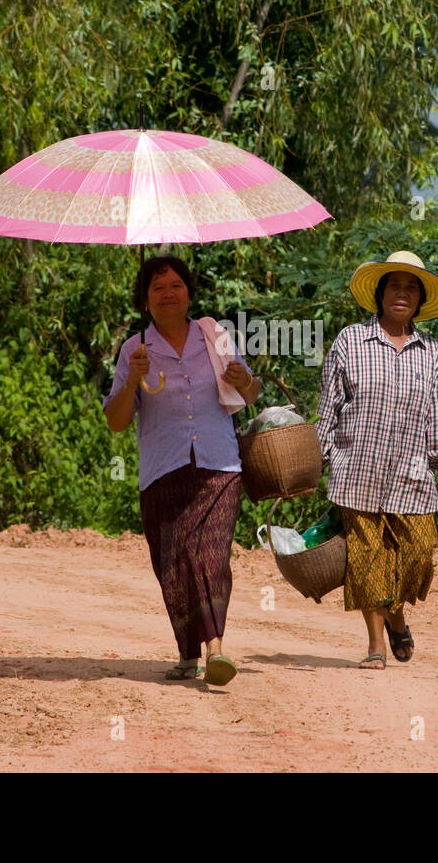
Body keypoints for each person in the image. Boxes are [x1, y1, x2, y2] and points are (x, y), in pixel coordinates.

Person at [102, 256, 261, 685]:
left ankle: (216, 650)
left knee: (210, 555)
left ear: (189, 292)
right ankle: (187, 653)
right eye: (158, 288)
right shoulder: (134, 351)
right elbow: (116, 421)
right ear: (145, 300)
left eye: (176, 285)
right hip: (163, 470)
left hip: (219, 464)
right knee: (172, 563)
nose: (169, 293)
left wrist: (243, 379)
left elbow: (250, 392)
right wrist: (133, 379)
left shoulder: (216, 337)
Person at [315, 250, 438, 669]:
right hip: (356, 470)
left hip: (413, 477)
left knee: (418, 554)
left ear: (419, 301)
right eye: (395, 286)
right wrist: (315, 463)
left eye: (411, 288)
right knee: (367, 560)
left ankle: (397, 613)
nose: (402, 294)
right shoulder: (350, 341)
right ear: (380, 294)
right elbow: (328, 410)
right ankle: (375, 646)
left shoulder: (430, 353)